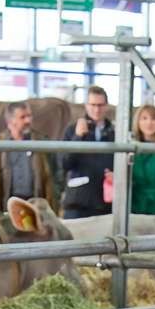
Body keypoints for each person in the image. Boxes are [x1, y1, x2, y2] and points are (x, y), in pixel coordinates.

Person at [0, 101, 56, 211]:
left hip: (35, 206)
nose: (28, 120)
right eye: (23, 117)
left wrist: (55, 197)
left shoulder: (42, 142)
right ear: (11, 121)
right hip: (6, 206)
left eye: (30, 116)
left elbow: (56, 173)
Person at [59, 85, 114, 218]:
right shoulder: (72, 130)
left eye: (100, 105)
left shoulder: (115, 133)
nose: (96, 109)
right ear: (86, 105)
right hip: (78, 202)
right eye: (93, 104)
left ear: (106, 106)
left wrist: (116, 175)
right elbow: (64, 163)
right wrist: (78, 137)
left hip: (106, 202)